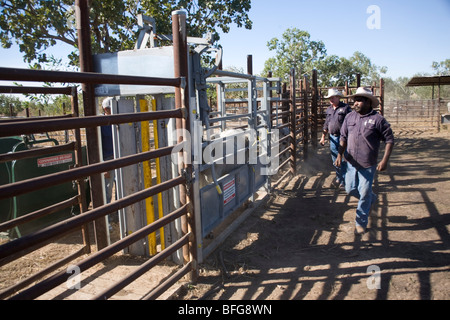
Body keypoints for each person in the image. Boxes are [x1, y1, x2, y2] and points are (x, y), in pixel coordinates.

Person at [335, 87, 394, 235]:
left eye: (359, 100)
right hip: (350, 161)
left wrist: (385, 160)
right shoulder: (349, 117)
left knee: (365, 191)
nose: (356, 103)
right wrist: (339, 155)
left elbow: (389, 139)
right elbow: (343, 137)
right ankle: (371, 198)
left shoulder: (378, 120)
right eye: (355, 100)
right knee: (350, 189)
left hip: (368, 163)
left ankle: (360, 221)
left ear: (368, 102)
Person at [320, 88, 352, 188]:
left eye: (333, 97)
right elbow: (326, 123)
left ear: (338, 97)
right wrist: (323, 137)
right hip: (333, 137)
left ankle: (345, 179)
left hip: (344, 138)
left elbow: (351, 123)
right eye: (330, 98)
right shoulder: (329, 109)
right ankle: (340, 177)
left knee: (345, 158)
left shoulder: (346, 108)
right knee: (335, 159)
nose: (331, 99)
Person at [100, 97, 115, 204]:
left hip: (120, 156)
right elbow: (98, 146)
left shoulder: (118, 120)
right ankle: (108, 217)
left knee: (122, 187)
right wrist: (103, 166)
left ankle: (120, 213)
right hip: (108, 160)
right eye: (111, 108)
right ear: (106, 109)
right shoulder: (100, 123)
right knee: (108, 189)